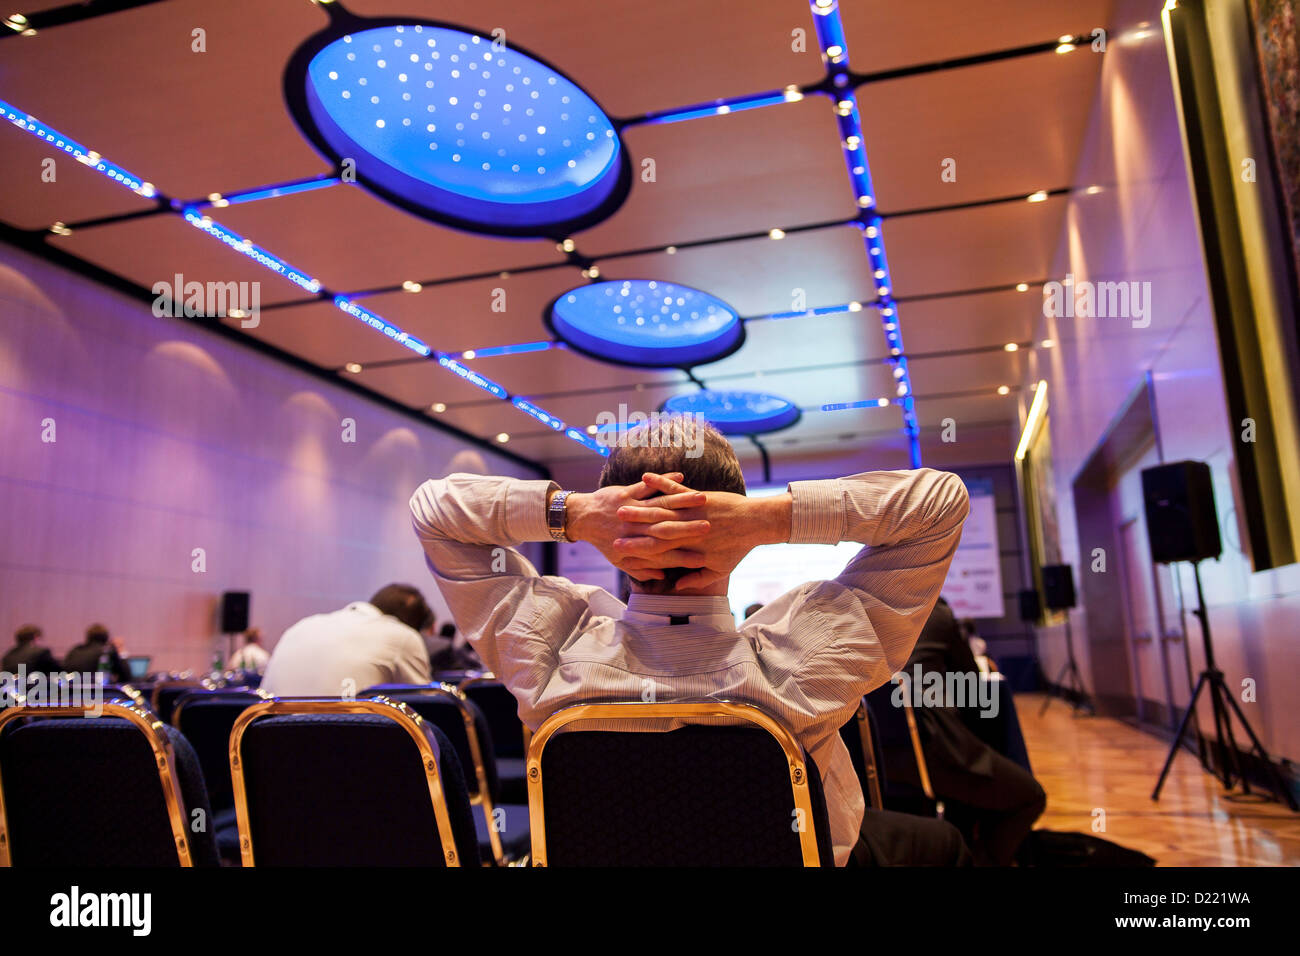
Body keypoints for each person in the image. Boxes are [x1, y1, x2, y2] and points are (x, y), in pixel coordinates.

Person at [409, 415, 972, 866]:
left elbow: (434, 511)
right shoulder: (808, 657)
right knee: (939, 844)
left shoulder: (546, 652)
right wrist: (767, 521)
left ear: (613, 529)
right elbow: (939, 503)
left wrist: (573, 513)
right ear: (733, 514)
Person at [902, 597, 1045, 865]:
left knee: (963, 796)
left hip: (886, 760)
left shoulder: (862, 613)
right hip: (935, 746)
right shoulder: (932, 607)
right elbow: (974, 690)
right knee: (1030, 797)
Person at [259, 584, 434, 696]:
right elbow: (424, 707)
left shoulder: (299, 626)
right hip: (348, 749)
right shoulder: (403, 635)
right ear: (413, 624)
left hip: (268, 748)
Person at [61, 623, 130, 683]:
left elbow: (64, 671)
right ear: (106, 637)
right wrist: (121, 652)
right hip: (98, 694)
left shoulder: (75, 650)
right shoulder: (106, 651)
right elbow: (126, 676)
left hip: (71, 693)